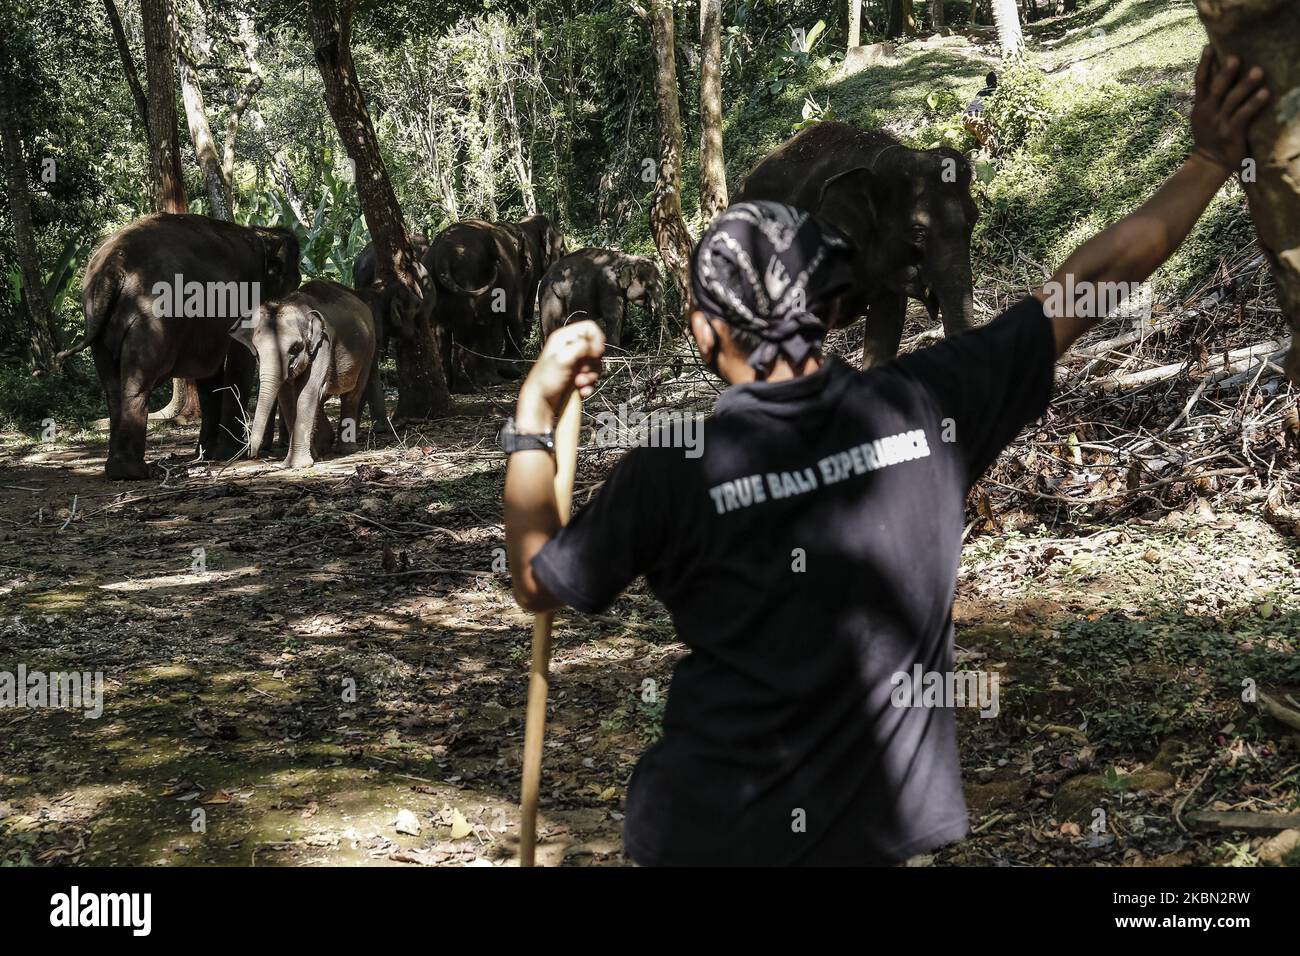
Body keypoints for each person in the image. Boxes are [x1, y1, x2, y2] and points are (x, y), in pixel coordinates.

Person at [502, 48, 1268, 865]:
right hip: (874, 841)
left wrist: (533, 415)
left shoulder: (673, 466)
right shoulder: (931, 404)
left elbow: (538, 581)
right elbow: (1088, 283)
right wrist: (1213, 160)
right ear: (833, 306)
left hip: (702, 832)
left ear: (702, 332)